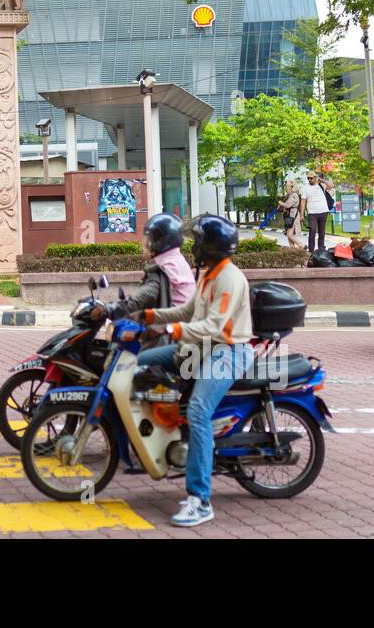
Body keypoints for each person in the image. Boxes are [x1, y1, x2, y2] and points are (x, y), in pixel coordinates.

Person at [107, 214, 254, 528]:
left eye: (198, 241)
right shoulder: (209, 275)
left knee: (199, 412)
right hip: (201, 348)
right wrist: (148, 316)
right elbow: (187, 311)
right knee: (139, 364)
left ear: (210, 246)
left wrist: (172, 330)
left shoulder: (228, 277)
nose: (193, 246)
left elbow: (213, 326)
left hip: (227, 351)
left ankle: (200, 501)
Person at [92, 213, 195, 321]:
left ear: (160, 241)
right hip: (180, 322)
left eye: (148, 240)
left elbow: (142, 298)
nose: (144, 244)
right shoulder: (177, 260)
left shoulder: (165, 268)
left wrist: (108, 309)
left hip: (172, 328)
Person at [299, 170, 334, 253]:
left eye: (311, 178)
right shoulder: (305, 188)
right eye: (308, 178)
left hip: (323, 211)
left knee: (322, 232)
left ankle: (321, 250)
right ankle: (311, 251)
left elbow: (331, 186)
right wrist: (302, 214)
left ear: (315, 178)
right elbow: (303, 202)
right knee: (312, 231)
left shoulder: (321, 185)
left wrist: (321, 180)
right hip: (312, 213)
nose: (309, 180)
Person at [278, 179, 302, 248]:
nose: (286, 187)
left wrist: (280, 203)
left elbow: (288, 205)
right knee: (289, 236)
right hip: (288, 216)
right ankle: (292, 251)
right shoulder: (289, 195)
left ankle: (302, 246)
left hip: (293, 217)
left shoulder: (294, 195)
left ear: (292, 186)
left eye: (287, 186)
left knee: (289, 234)